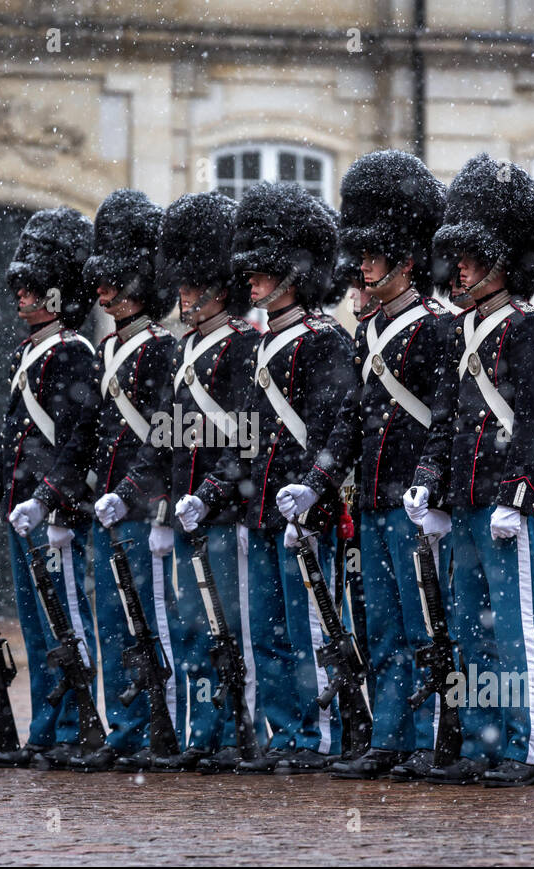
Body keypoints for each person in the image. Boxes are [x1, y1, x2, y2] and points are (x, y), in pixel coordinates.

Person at [275, 149, 456, 781]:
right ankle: (389, 737)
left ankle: (431, 737)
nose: (362, 270)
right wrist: (317, 481)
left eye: (373, 260)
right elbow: (349, 423)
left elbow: (444, 418)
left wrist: (429, 484)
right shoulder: (368, 333)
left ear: (404, 262)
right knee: (378, 628)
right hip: (374, 501)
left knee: (422, 625)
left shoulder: (436, 328)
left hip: (411, 501)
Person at [176, 181, 354, 774]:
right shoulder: (264, 345)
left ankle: (317, 733)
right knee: (269, 634)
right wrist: (209, 492)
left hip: (305, 511)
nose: (248, 283)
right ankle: (286, 732)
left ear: (292, 276)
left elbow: (335, 428)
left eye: (262, 274)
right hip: (263, 512)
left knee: (308, 630)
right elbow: (247, 440)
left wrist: (315, 484)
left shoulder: (324, 339)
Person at [410, 153, 534, 787]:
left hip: (503, 505)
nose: (461, 266)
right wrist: (431, 481)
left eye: (474, 255)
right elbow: (443, 419)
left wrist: (519, 491)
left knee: (515, 632)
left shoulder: (528, 330)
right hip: (465, 500)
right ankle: (480, 739)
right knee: (470, 633)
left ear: (504, 259)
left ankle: (524, 748)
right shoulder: (459, 331)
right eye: (460, 255)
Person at [14, 190, 178, 772]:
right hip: (108, 509)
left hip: (139, 509)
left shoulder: (160, 350)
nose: (103, 293)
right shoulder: (109, 349)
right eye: (100, 284)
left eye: (114, 283)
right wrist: (52, 497)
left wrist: (132, 496)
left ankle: (161, 726)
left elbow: (161, 438)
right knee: (112, 624)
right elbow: (85, 438)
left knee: (147, 625)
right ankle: (128, 728)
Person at [102, 191, 261, 772]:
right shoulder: (186, 349)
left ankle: (232, 733)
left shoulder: (244, 345)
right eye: (183, 287)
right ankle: (203, 731)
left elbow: (246, 438)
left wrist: (211, 494)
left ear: (220, 287)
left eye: (193, 288)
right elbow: (164, 439)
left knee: (231, 631)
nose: (184, 298)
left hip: (224, 514)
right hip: (187, 514)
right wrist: (137, 495)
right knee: (192, 630)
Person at [0, 207, 99, 770]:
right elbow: (13, 439)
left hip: (52, 515)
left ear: (57, 294)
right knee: (36, 628)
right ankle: (47, 725)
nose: (21, 298)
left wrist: (47, 501)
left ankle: (74, 722)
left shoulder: (73, 353)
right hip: (23, 513)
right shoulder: (28, 352)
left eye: (32, 289)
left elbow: (75, 442)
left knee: (65, 622)